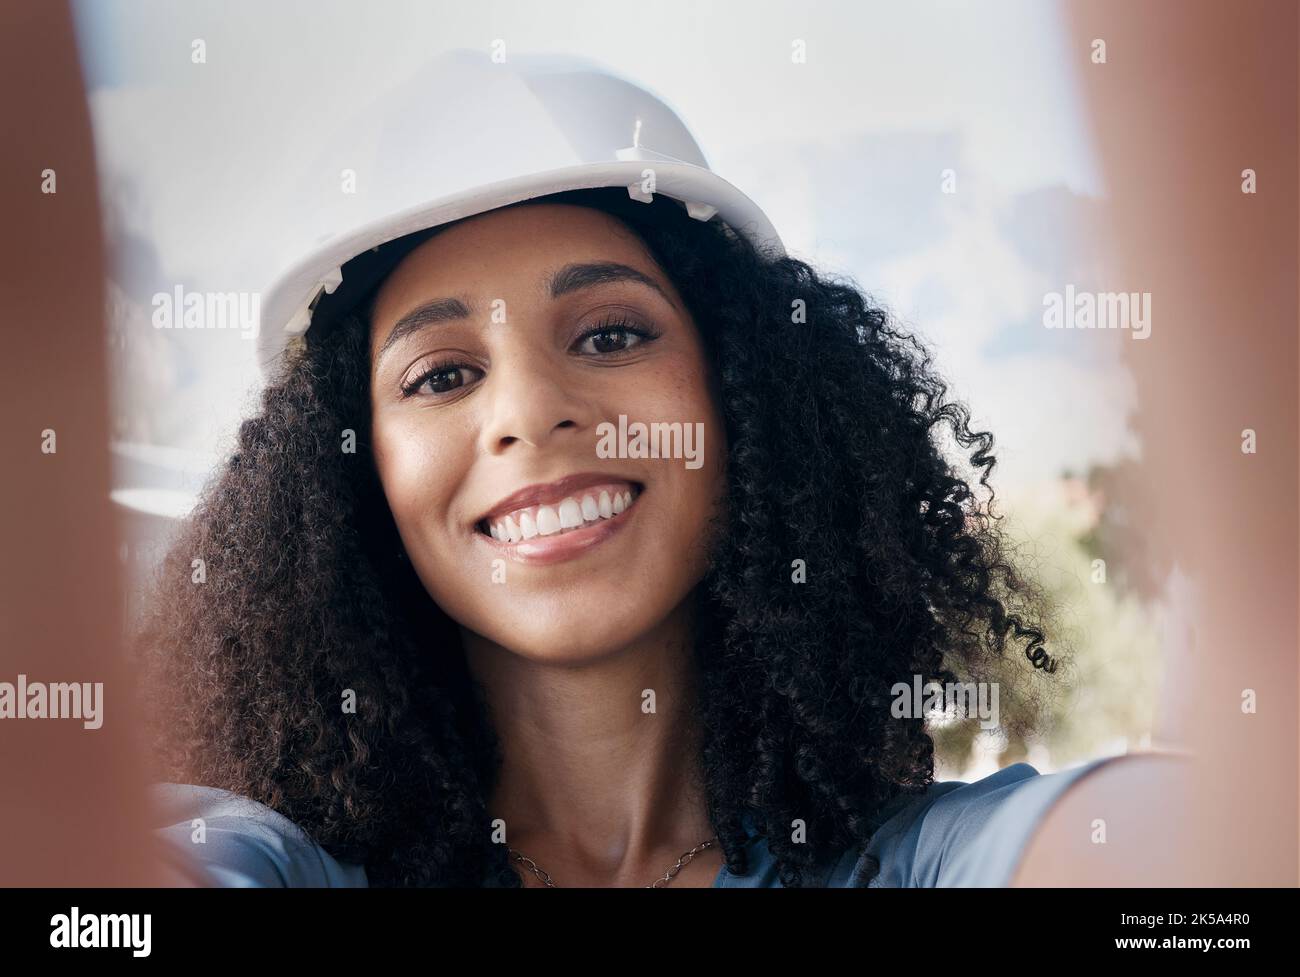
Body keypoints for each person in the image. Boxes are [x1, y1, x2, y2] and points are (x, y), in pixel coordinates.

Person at [137, 54, 1184, 889]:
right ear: (353, 476)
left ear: (745, 396)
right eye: (442, 373)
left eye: (607, 336)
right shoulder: (277, 866)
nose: (528, 410)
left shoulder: (918, 865)